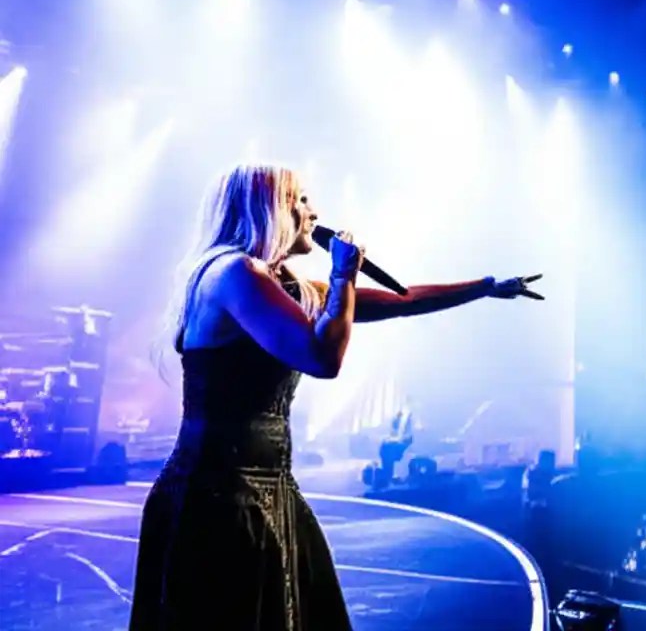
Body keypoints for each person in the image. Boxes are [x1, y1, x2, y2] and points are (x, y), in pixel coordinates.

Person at [129, 162, 539, 630]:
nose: (313, 212)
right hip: (219, 497)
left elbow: (402, 301)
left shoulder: (282, 285)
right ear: (268, 210)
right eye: (299, 200)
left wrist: (484, 288)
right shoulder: (232, 273)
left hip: (271, 487)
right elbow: (322, 358)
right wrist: (343, 275)